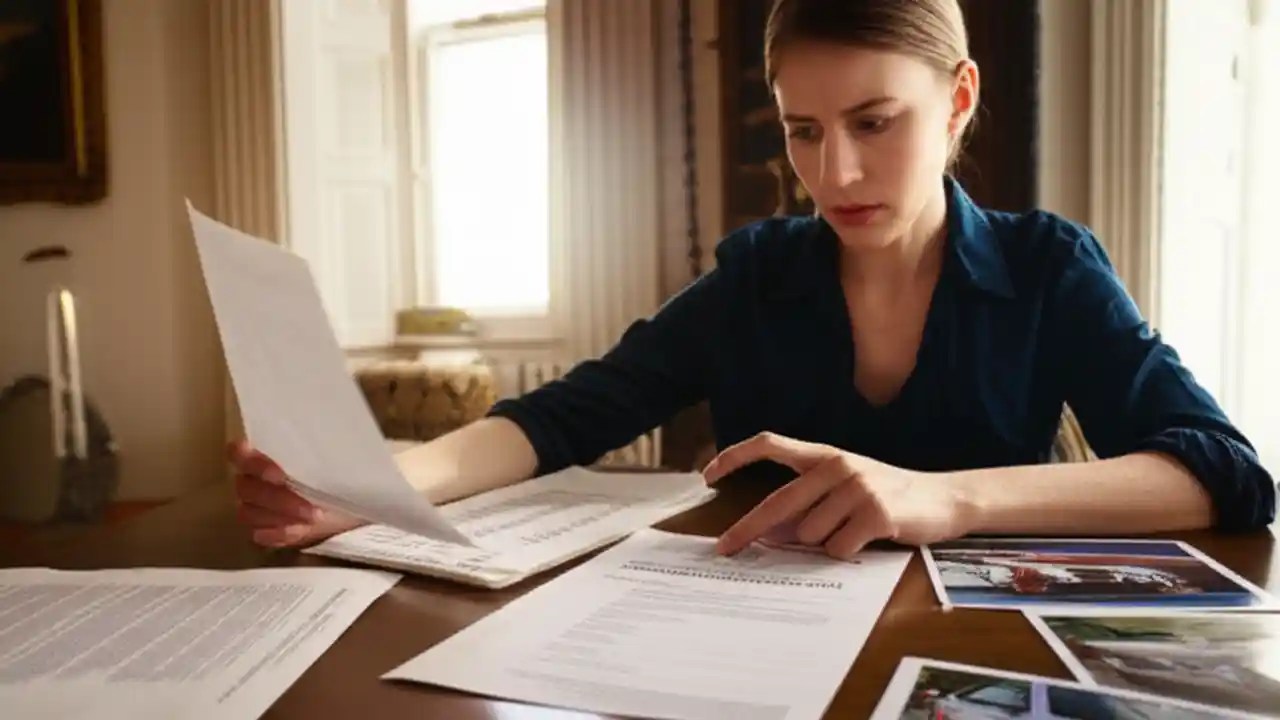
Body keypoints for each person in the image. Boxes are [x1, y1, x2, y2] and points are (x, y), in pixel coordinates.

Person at [229, 0, 1275, 560]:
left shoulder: (1047, 266)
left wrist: (945, 498)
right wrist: (372, 487)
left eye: (874, 122)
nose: (835, 173)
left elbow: (1224, 472)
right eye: (802, 131)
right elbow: (566, 414)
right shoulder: (757, 274)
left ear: (958, 99)